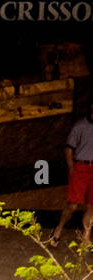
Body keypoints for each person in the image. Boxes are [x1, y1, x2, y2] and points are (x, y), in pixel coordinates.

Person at [50, 103, 93, 246]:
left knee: (90, 205)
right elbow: (69, 147)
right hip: (81, 166)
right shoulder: (80, 126)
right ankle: (58, 229)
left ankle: (86, 236)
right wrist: (71, 166)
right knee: (73, 205)